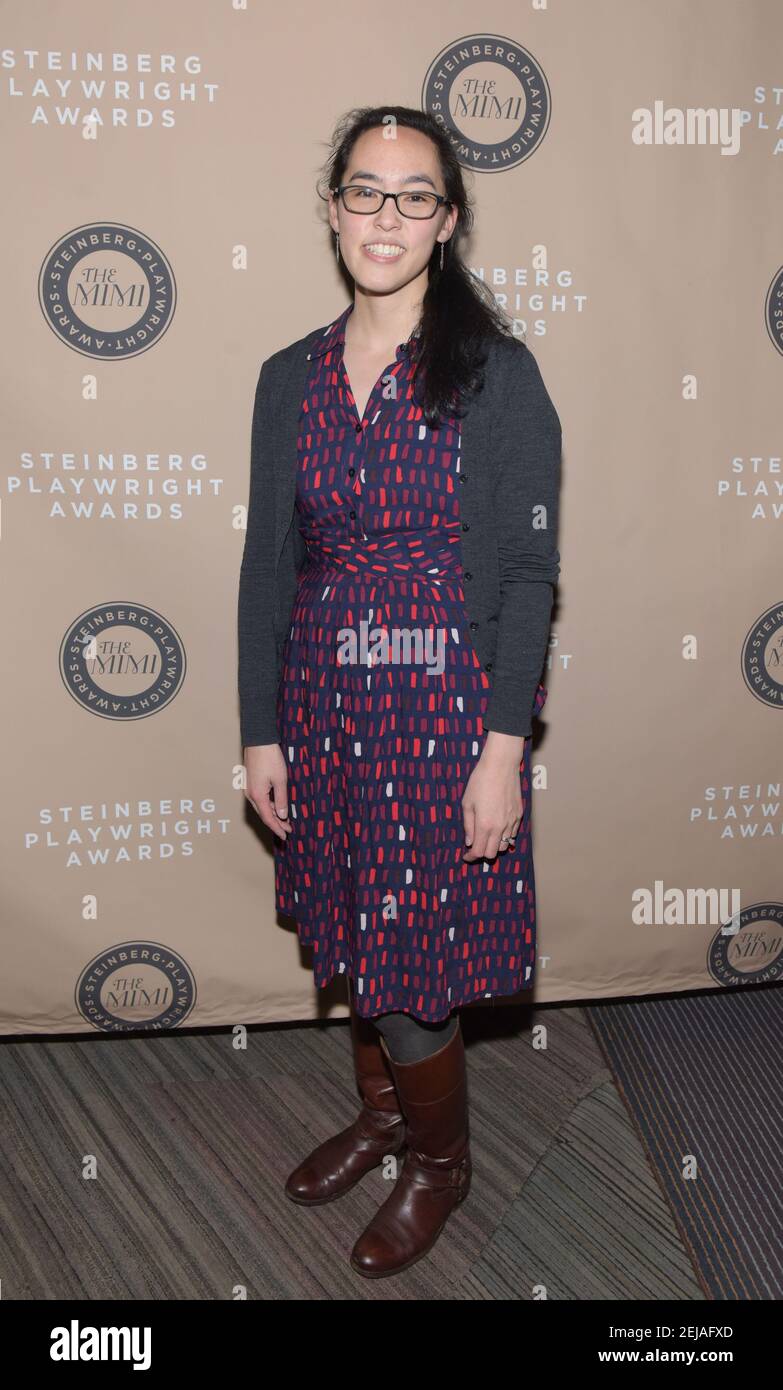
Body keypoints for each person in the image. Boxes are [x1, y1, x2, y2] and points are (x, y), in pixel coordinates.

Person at [238, 105, 562, 1279]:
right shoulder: (288, 379)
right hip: (326, 702)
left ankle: (441, 1159)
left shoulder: (499, 375)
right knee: (357, 926)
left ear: (448, 219)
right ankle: (384, 1117)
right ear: (332, 209)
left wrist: (501, 747)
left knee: (415, 958)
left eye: (414, 194)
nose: (387, 214)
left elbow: (527, 571)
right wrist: (260, 730)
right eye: (365, 191)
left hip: (443, 708)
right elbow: (269, 566)